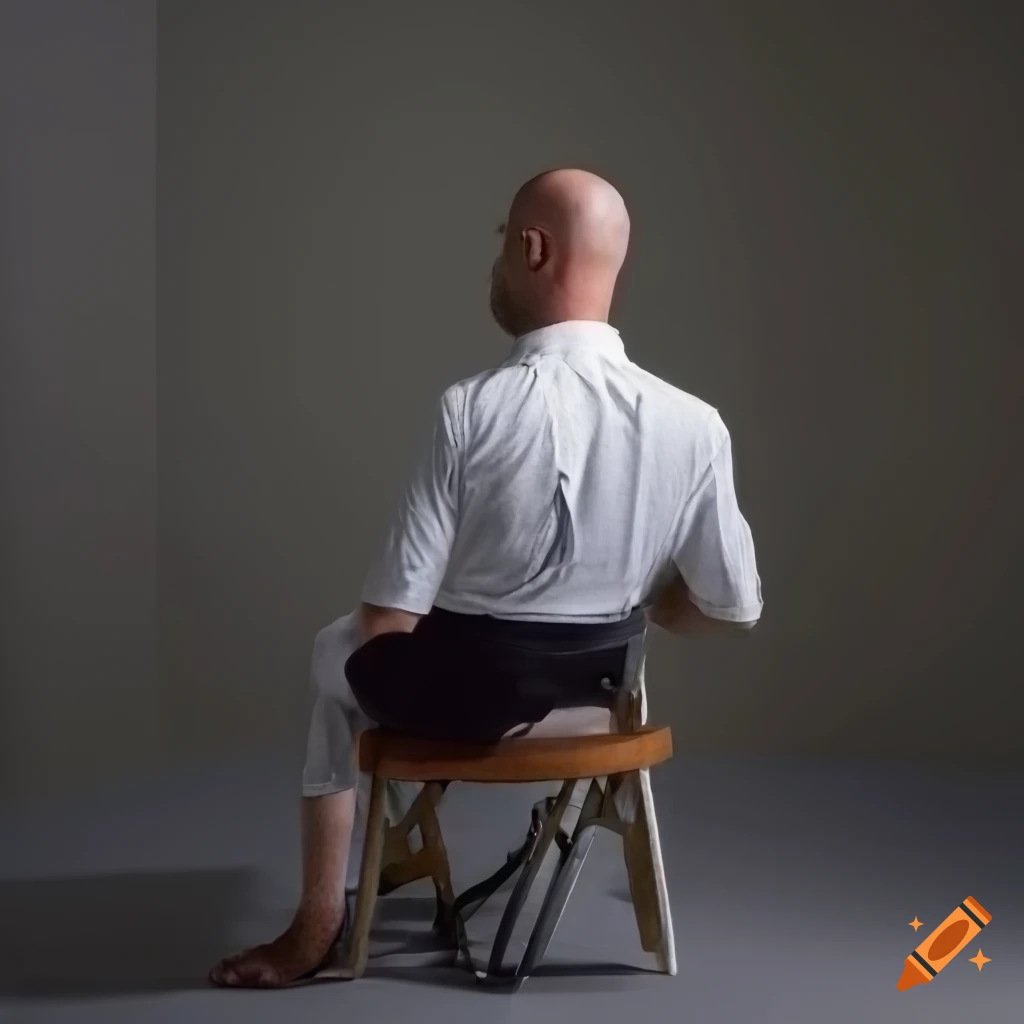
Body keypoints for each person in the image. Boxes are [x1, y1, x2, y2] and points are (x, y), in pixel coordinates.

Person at [210, 168, 763, 988]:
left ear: (533, 249)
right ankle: (390, 860)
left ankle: (316, 925)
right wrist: (641, 597)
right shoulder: (695, 424)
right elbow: (732, 606)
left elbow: (386, 617)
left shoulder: (470, 409)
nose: (500, 261)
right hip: (602, 710)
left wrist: (441, 645)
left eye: (505, 241)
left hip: (472, 711)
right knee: (410, 647)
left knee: (337, 650)